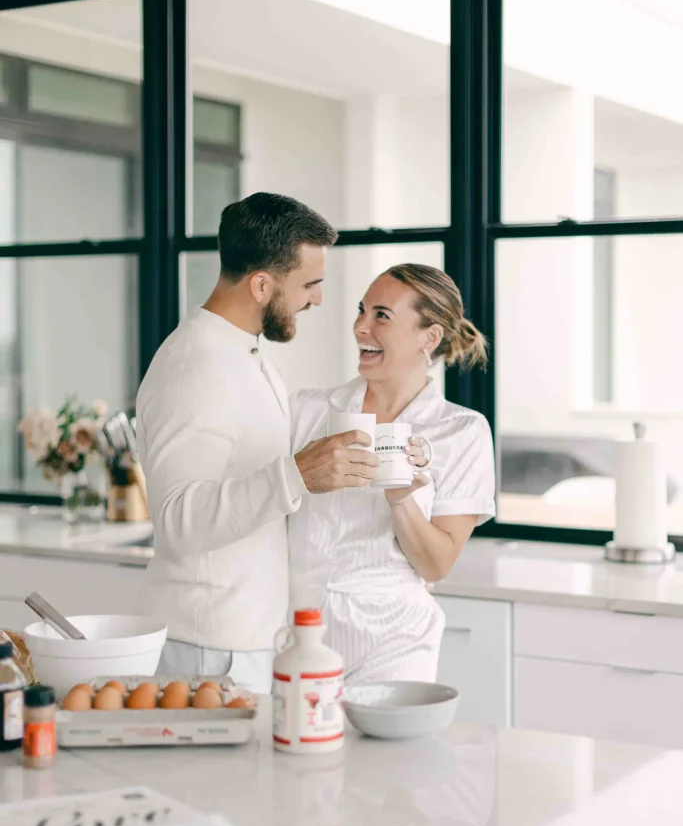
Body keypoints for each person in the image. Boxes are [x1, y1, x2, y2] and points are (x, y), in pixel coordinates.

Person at [136, 192, 379, 692]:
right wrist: (296, 474)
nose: (318, 299)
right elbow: (178, 520)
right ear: (262, 284)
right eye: (310, 284)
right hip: (208, 653)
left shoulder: (247, 356)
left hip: (244, 644)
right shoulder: (195, 368)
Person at [288, 263, 495, 684]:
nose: (361, 327)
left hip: (394, 640)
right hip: (296, 631)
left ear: (430, 337)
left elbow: (436, 565)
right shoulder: (305, 411)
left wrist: (401, 501)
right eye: (362, 310)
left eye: (382, 315)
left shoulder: (461, 431)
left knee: (384, 751)